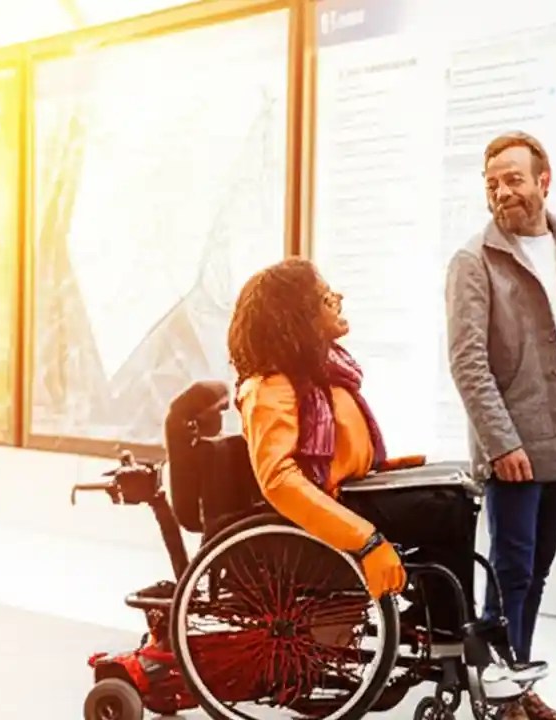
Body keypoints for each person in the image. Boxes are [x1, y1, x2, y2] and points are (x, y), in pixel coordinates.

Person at [226, 258, 535, 701]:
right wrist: (365, 540)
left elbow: (338, 457)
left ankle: (446, 627)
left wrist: (394, 472)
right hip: (327, 515)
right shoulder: (271, 388)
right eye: (325, 296)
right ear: (298, 316)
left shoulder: (324, 376)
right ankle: (451, 638)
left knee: (454, 490)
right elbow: (279, 481)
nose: (339, 299)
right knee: (443, 508)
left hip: (351, 494)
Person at [446, 131, 556, 720]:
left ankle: (516, 688)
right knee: (511, 572)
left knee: (536, 573)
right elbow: (467, 361)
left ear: (543, 180)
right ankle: (502, 698)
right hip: (514, 448)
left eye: (513, 178)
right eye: (492, 181)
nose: (502, 191)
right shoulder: (475, 260)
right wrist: (501, 443)